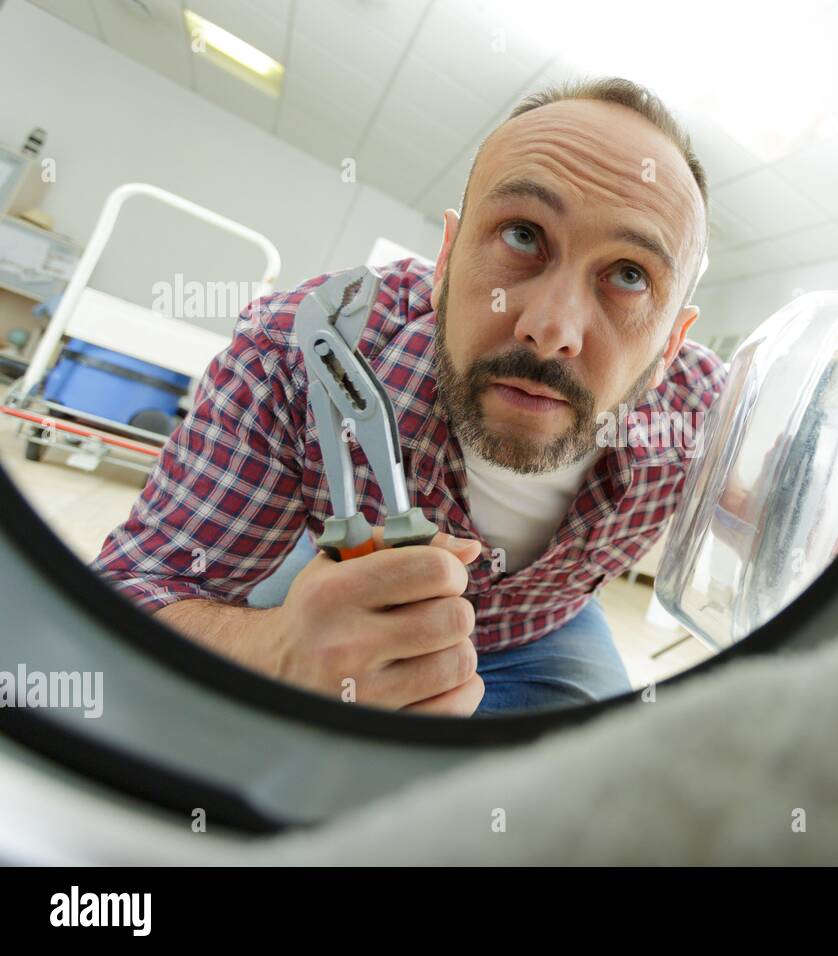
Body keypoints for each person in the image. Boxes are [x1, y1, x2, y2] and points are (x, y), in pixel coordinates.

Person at [91, 76, 727, 717]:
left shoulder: (713, 416)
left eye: (629, 275)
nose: (551, 329)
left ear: (673, 341)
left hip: (546, 629)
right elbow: (125, 597)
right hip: (338, 576)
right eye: (523, 235)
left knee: (586, 786)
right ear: (446, 258)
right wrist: (275, 651)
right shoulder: (296, 349)